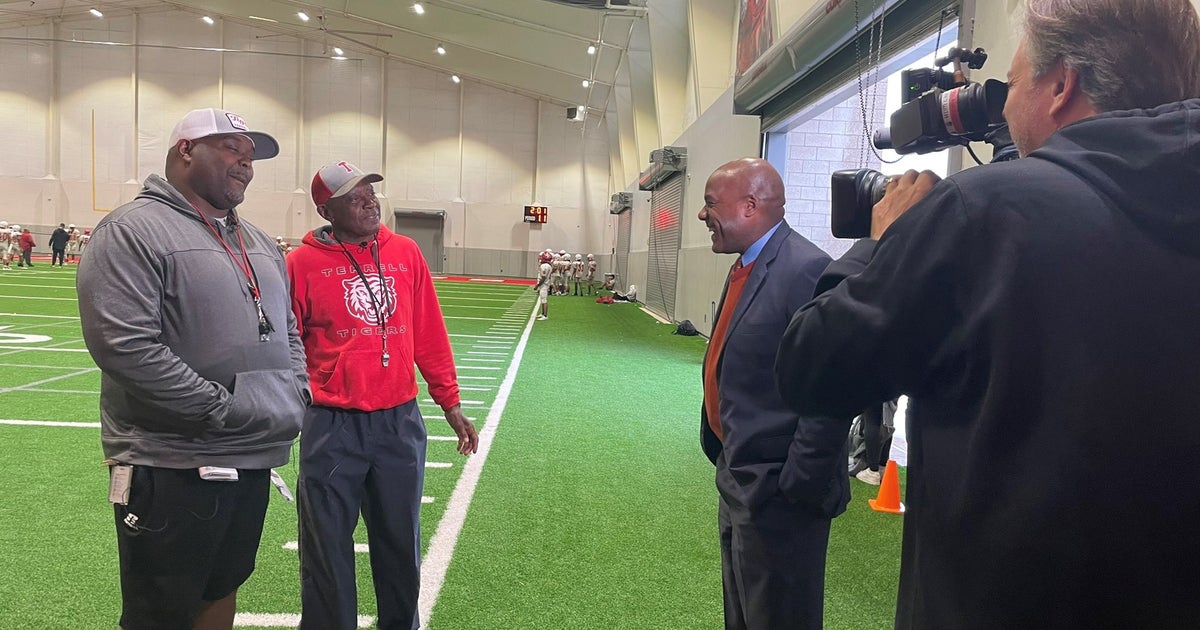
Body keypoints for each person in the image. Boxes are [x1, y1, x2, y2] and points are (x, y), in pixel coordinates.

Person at [774, 1, 1200, 627]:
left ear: (1061, 86)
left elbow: (813, 368)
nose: (1000, 104)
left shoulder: (984, 213)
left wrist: (882, 242)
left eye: (1015, 79)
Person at [76, 107, 308, 630]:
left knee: (222, 585)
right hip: (171, 459)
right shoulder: (132, 231)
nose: (246, 166)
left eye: (250, 158)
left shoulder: (258, 240)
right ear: (186, 150)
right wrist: (222, 409)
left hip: (250, 453)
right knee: (161, 608)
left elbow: (288, 329)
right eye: (232, 150)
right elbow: (125, 345)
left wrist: (295, 391)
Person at [287, 161, 479, 630]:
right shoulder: (299, 264)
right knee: (327, 548)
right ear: (325, 208)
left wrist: (450, 403)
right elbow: (286, 347)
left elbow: (429, 333)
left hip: (399, 423)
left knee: (399, 542)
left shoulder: (406, 252)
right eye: (354, 197)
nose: (370, 202)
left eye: (371, 192)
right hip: (331, 425)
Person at [699, 157, 848, 630]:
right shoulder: (748, 261)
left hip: (778, 493)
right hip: (738, 472)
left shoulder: (806, 269)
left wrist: (795, 482)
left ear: (750, 206)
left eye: (709, 204)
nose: (703, 216)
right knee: (744, 615)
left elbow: (833, 388)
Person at [533, 250, 552, 320]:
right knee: (542, 299)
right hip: (545, 284)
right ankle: (543, 313)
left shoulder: (544, 266)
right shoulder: (548, 265)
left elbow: (543, 277)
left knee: (544, 300)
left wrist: (537, 285)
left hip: (544, 284)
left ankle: (545, 315)